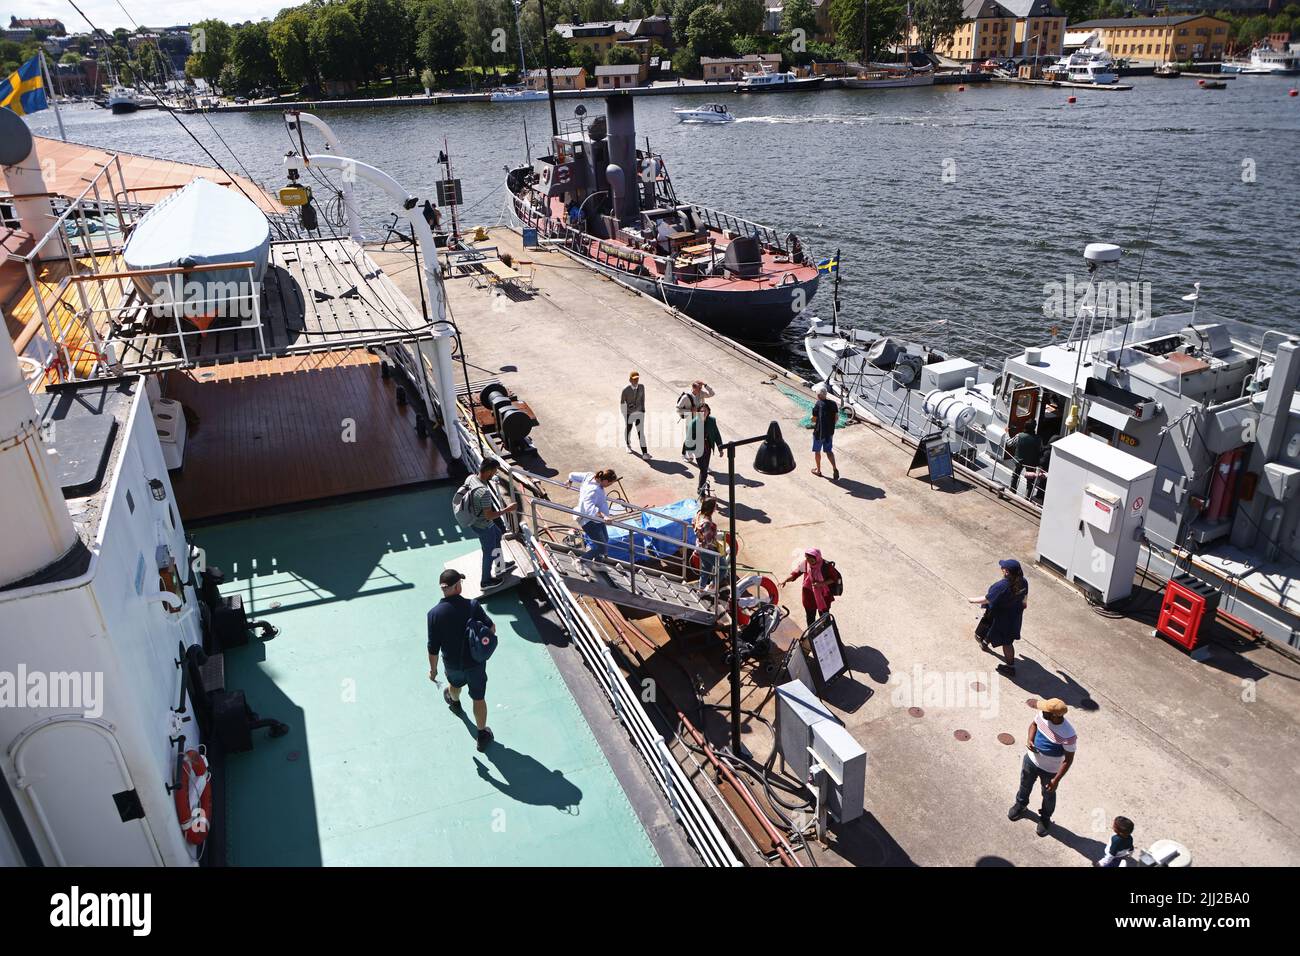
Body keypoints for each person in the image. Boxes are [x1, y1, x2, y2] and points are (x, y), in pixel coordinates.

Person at [428, 569, 497, 752]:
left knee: (454, 684)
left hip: (452, 665)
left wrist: (433, 670)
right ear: (457, 586)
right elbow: (492, 629)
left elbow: (433, 647)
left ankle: (455, 703)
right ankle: (482, 734)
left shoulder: (433, 614)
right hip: (475, 664)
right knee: (478, 698)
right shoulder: (472, 606)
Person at [1008, 697, 1077, 837]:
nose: (1041, 711)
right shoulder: (1042, 715)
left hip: (1050, 771)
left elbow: (1068, 760)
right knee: (1024, 785)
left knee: (1048, 796)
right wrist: (1030, 739)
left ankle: (1045, 818)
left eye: (1045, 710)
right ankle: (1021, 805)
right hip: (1031, 760)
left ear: (1055, 715)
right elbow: (1033, 725)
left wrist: (1056, 780)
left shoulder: (1068, 733)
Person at [462, 459, 518, 590]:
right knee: (488, 552)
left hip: (475, 520)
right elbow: (489, 515)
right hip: (483, 525)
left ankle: (500, 565)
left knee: (498, 534)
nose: (495, 474)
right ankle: (485, 581)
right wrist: (508, 509)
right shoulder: (484, 492)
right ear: (488, 471)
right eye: (494, 471)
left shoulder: (470, 478)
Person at [970, 557, 1029, 676]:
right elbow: (1024, 597)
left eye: (1003, 568)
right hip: (1014, 615)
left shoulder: (1002, 586)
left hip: (1001, 616)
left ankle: (1010, 667)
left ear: (1006, 572)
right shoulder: (1023, 581)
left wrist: (972, 600)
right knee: (993, 629)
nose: (1001, 569)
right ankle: (985, 642)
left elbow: (987, 599)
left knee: (1007, 642)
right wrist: (1023, 604)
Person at [566, 468, 619, 562]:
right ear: (606, 481)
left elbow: (572, 474)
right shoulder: (594, 490)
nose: (609, 486)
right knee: (602, 548)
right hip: (590, 521)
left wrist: (569, 481)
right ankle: (579, 562)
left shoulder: (589, 476)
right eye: (610, 484)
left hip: (598, 520)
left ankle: (598, 564)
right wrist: (604, 516)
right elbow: (590, 508)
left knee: (605, 541)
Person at [781, 548, 840, 627]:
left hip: (823, 597)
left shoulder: (826, 566)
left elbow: (834, 579)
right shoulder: (805, 563)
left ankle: (827, 635)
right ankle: (812, 634)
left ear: (817, 558)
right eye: (807, 558)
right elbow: (795, 574)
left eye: (811, 560)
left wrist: (821, 584)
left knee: (825, 619)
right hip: (808, 596)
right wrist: (785, 580)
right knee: (810, 618)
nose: (809, 562)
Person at [688, 403, 723, 493]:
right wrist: (690, 452)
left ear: (708, 412)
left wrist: (720, 448)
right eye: (701, 411)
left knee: (704, 470)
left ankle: (700, 488)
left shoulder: (712, 421)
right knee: (704, 470)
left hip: (707, 447)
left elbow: (716, 434)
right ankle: (701, 489)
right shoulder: (694, 423)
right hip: (698, 449)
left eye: (705, 411)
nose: (703, 413)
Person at [677, 380, 714, 462]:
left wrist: (705, 385)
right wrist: (690, 410)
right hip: (690, 418)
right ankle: (688, 456)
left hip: (700, 418)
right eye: (699, 388)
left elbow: (712, 394)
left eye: (701, 388)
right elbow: (678, 409)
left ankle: (697, 457)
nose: (700, 389)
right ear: (693, 388)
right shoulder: (686, 397)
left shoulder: (701, 394)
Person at [810, 385, 840, 481]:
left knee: (817, 452)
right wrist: (831, 425)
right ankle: (834, 468)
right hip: (829, 433)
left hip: (819, 432)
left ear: (819, 395)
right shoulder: (833, 404)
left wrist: (812, 419)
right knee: (829, 451)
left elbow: (814, 419)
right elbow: (836, 418)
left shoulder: (818, 404)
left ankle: (818, 470)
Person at [1005, 420, 1042, 495]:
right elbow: (1040, 450)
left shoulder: (1019, 436)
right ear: (1034, 428)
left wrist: (1006, 433)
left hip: (1019, 460)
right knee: (1030, 481)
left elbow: (1009, 443)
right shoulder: (1038, 439)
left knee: (1015, 476)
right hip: (1032, 462)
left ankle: (1012, 492)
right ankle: (1027, 497)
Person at [693, 496, 721, 591]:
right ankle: (712, 587)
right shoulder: (707, 523)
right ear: (711, 508)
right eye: (715, 506)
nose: (716, 507)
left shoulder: (700, 515)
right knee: (722, 568)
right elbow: (708, 541)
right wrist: (716, 535)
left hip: (699, 547)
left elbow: (695, 525)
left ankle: (701, 589)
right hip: (707, 549)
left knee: (706, 568)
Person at [620, 371, 650, 458]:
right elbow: (622, 403)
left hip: (639, 413)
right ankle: (628, 444)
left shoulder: (642, 387)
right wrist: (625, 415)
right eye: (634, 379)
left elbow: (642, 399)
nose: (636, 380)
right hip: (629, 414)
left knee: (641, 432)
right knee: (629, 429)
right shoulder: (625, 390)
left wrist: (643, 410)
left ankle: (645, 453)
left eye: (637, 378)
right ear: (630, 380)